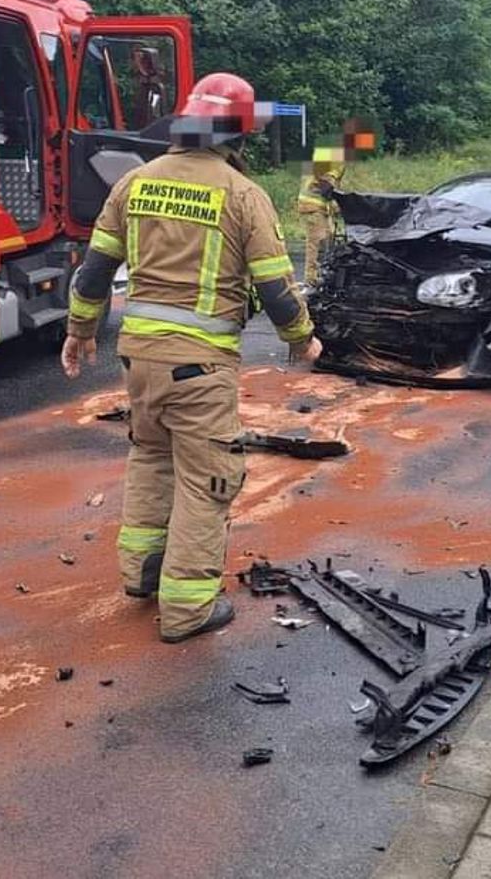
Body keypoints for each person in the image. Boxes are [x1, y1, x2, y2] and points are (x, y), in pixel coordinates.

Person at [61, 72, 323, 642]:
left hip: (138, 363)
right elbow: (277, 289)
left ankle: (141, 576)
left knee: (152, 461)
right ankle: (186, 611)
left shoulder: (133, 183)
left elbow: (95, 270)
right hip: (200, 368)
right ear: (237, 136)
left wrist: (81, 331)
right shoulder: (242, 195)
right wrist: (303, 340)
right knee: (209, 480)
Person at [297, 145, 347, 286]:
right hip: (313, 207)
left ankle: (320, 275)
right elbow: (327, 187)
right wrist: (345, 203)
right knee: (318, 242)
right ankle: (312, 280)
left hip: (319, 206)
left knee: (328, 239)